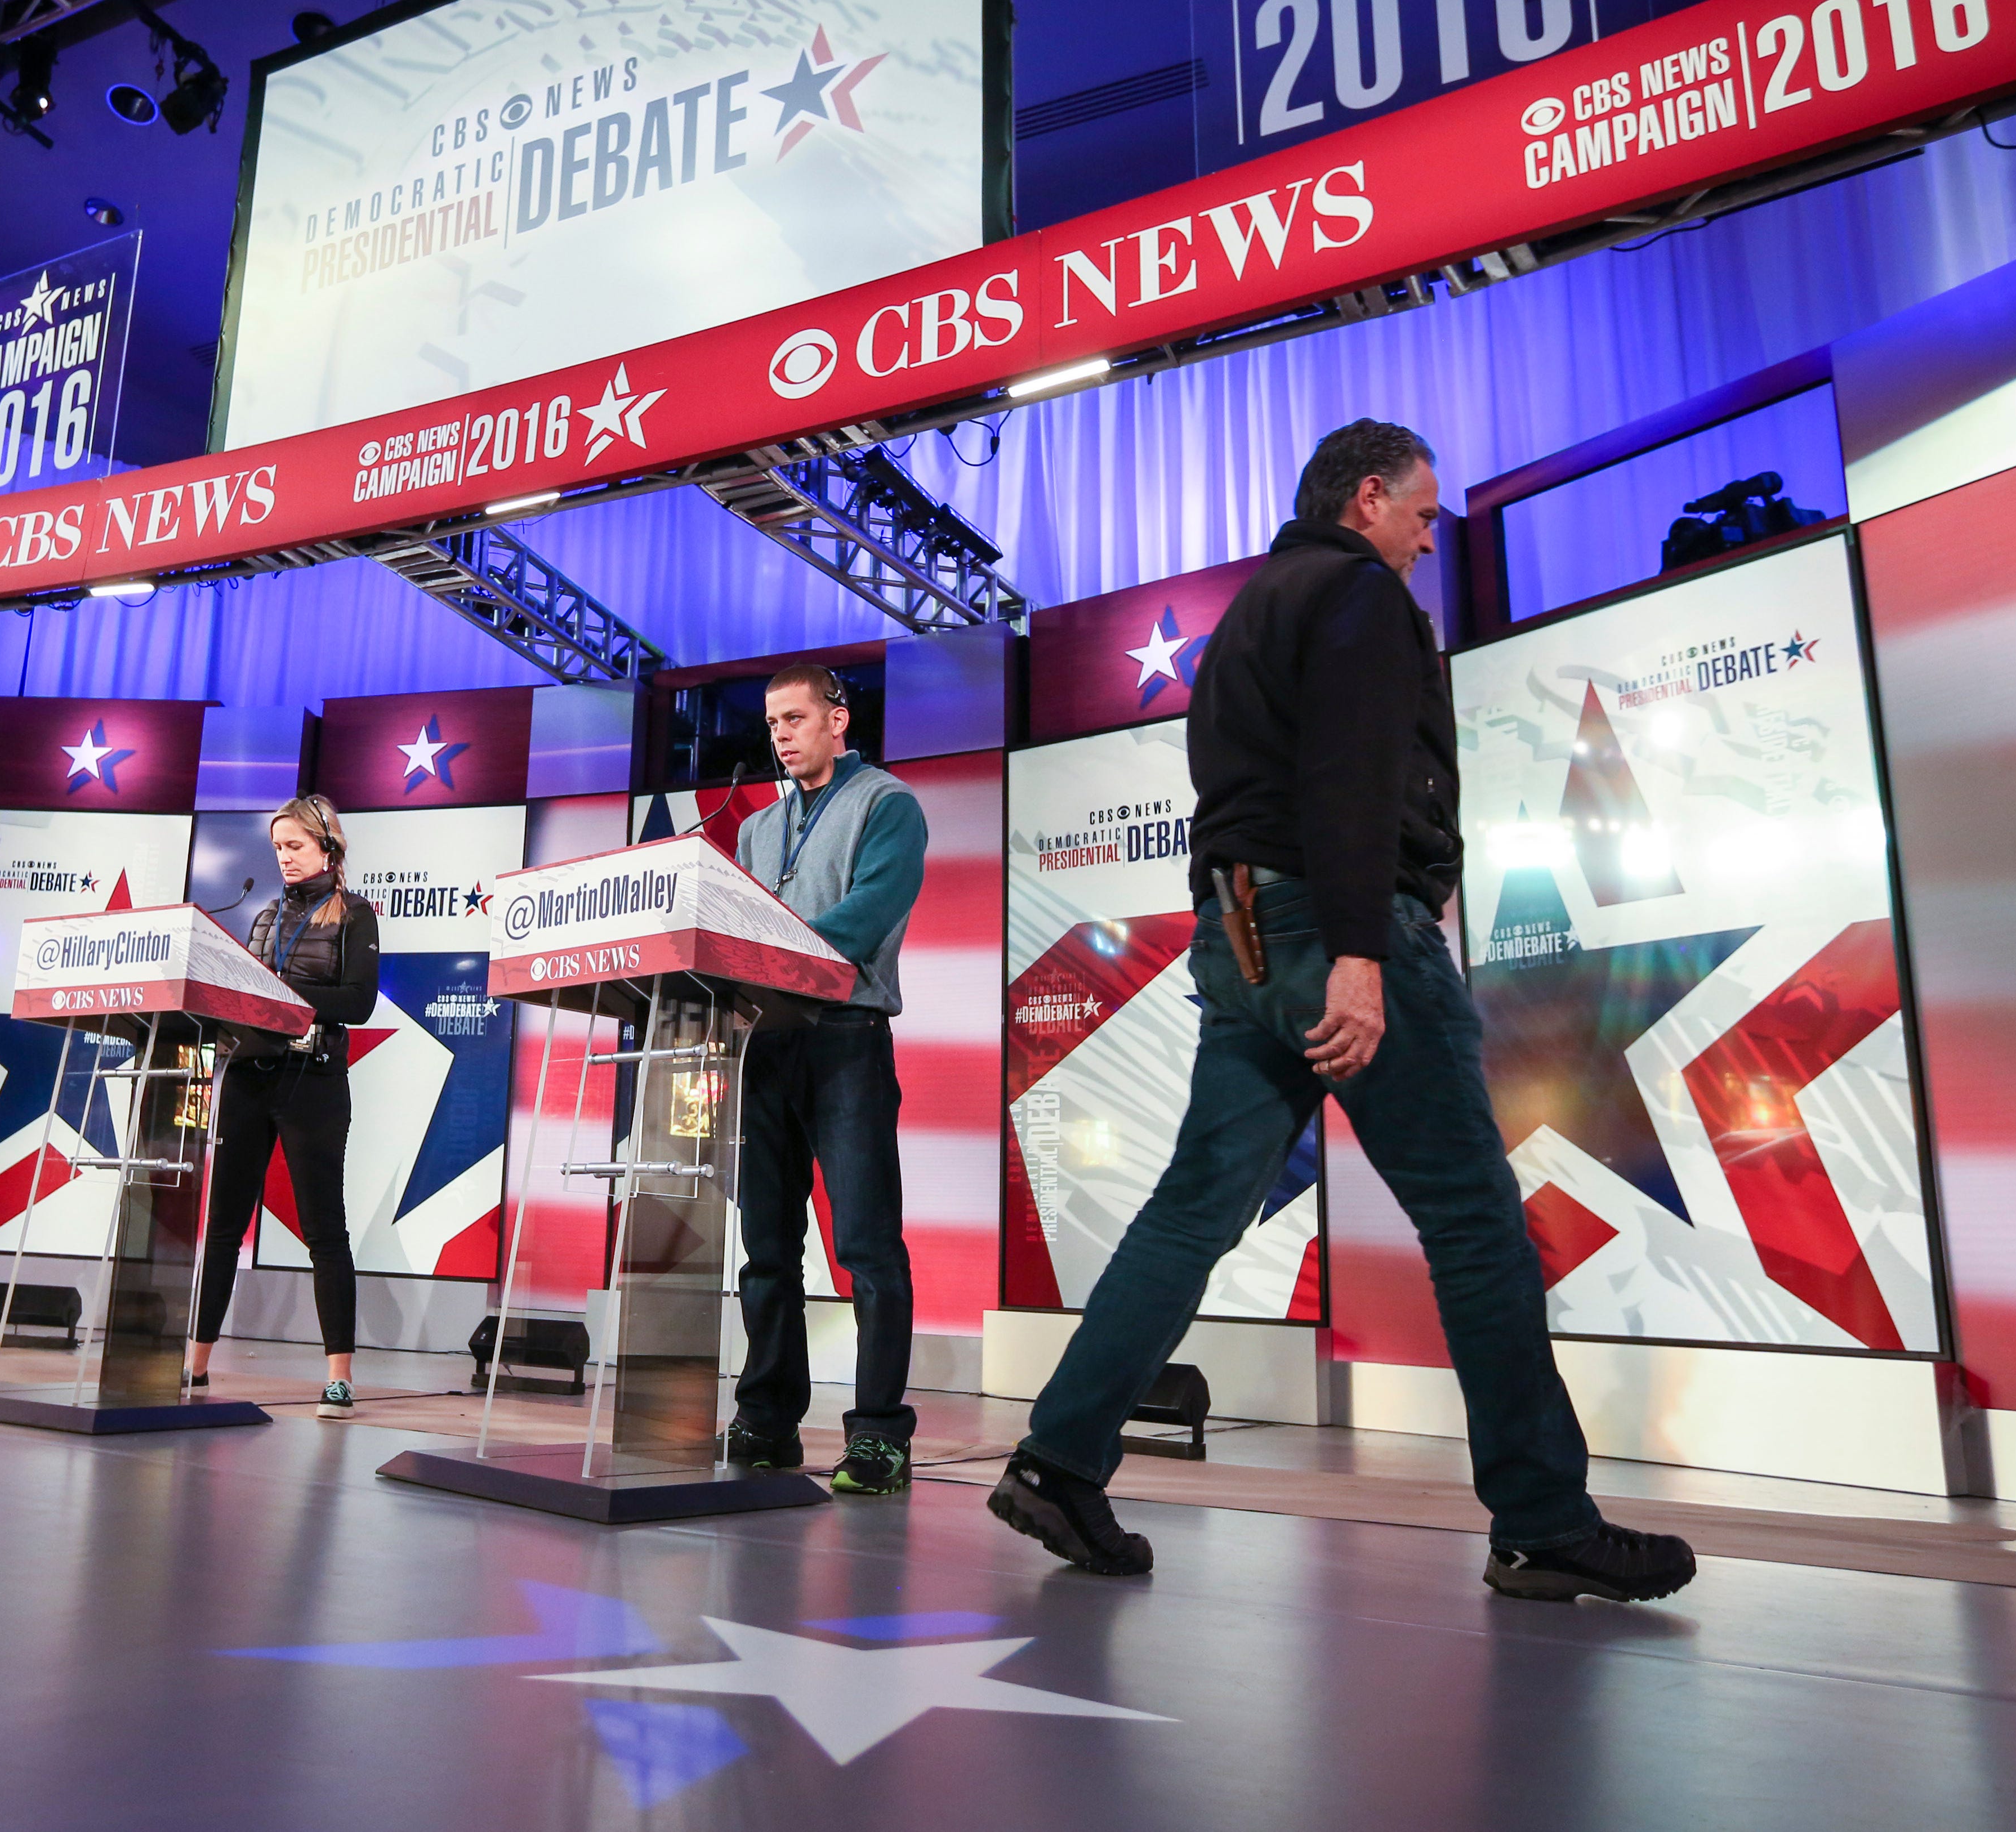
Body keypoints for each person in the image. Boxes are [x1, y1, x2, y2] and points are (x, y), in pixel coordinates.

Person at [984, 420, 1697, 1603]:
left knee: (1191, 1210)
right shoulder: (1361, 595)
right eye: (1421, 513)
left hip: (1239, 935)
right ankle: (1541, 1518)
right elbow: (1353, 778)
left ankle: (1059, 1461)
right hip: (1337, 929)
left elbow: (1250, 791)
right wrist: (1363, 953)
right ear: (1368, 498)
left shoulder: (1254, 613)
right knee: (1473, 1220)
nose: (1429, 537)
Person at [725, 664, 931, 1496]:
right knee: (766, 1248)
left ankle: (880, 1432)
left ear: (838, 720)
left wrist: (770, 960)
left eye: (796, 717)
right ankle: (768, 1419)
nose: (780, 733)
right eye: (772, 721)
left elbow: (870, 912)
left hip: (845, 1039)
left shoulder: (888, 804)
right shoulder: (753, 830)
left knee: (868, 1245)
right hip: (763, 1044)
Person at [188, 796, 379, 1417]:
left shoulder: (354, 913)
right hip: (248, 1076)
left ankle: (340, 1376)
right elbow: (241, 999)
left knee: (324, 1228)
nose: (284, 857)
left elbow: (357, 1001)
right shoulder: (265, 915)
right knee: (223, 1225)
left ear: (328, 845)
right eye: (277, 847)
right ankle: (194, 1363)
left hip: (314, 1081)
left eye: (295, 845)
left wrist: (275, 990)